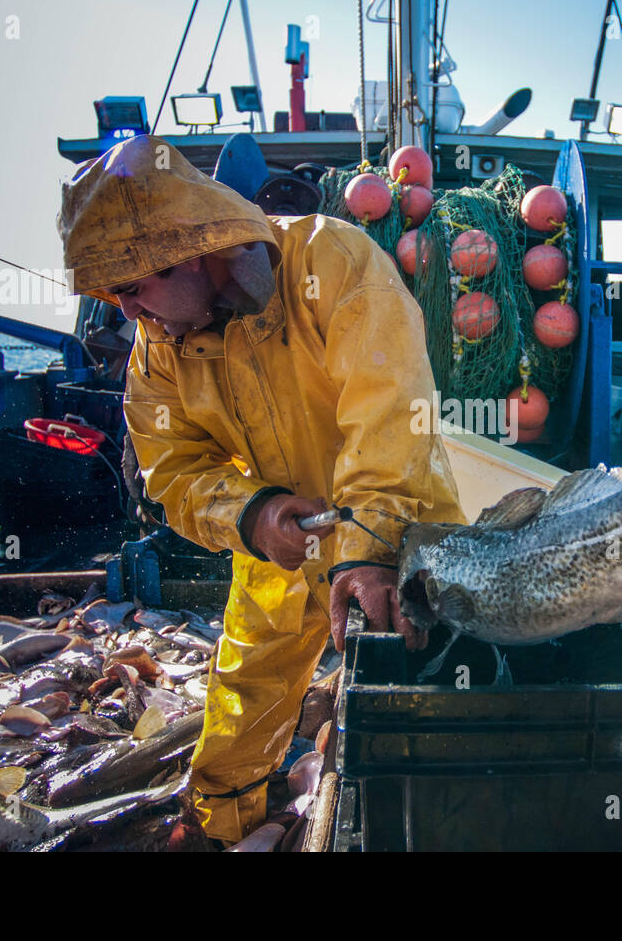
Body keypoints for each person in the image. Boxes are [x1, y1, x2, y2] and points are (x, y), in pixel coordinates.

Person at [58, 134, 466, 843]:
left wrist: (367, 546)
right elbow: (173, 469)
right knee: (234, 733)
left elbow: (389, 405)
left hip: (401, 534)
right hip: (282, 547)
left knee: (420, 717)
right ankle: (224, 830)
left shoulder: (329, 261)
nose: (127, 312)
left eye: (132, 288)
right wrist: (253, 514)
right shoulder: (159, 349)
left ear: (188, 249)